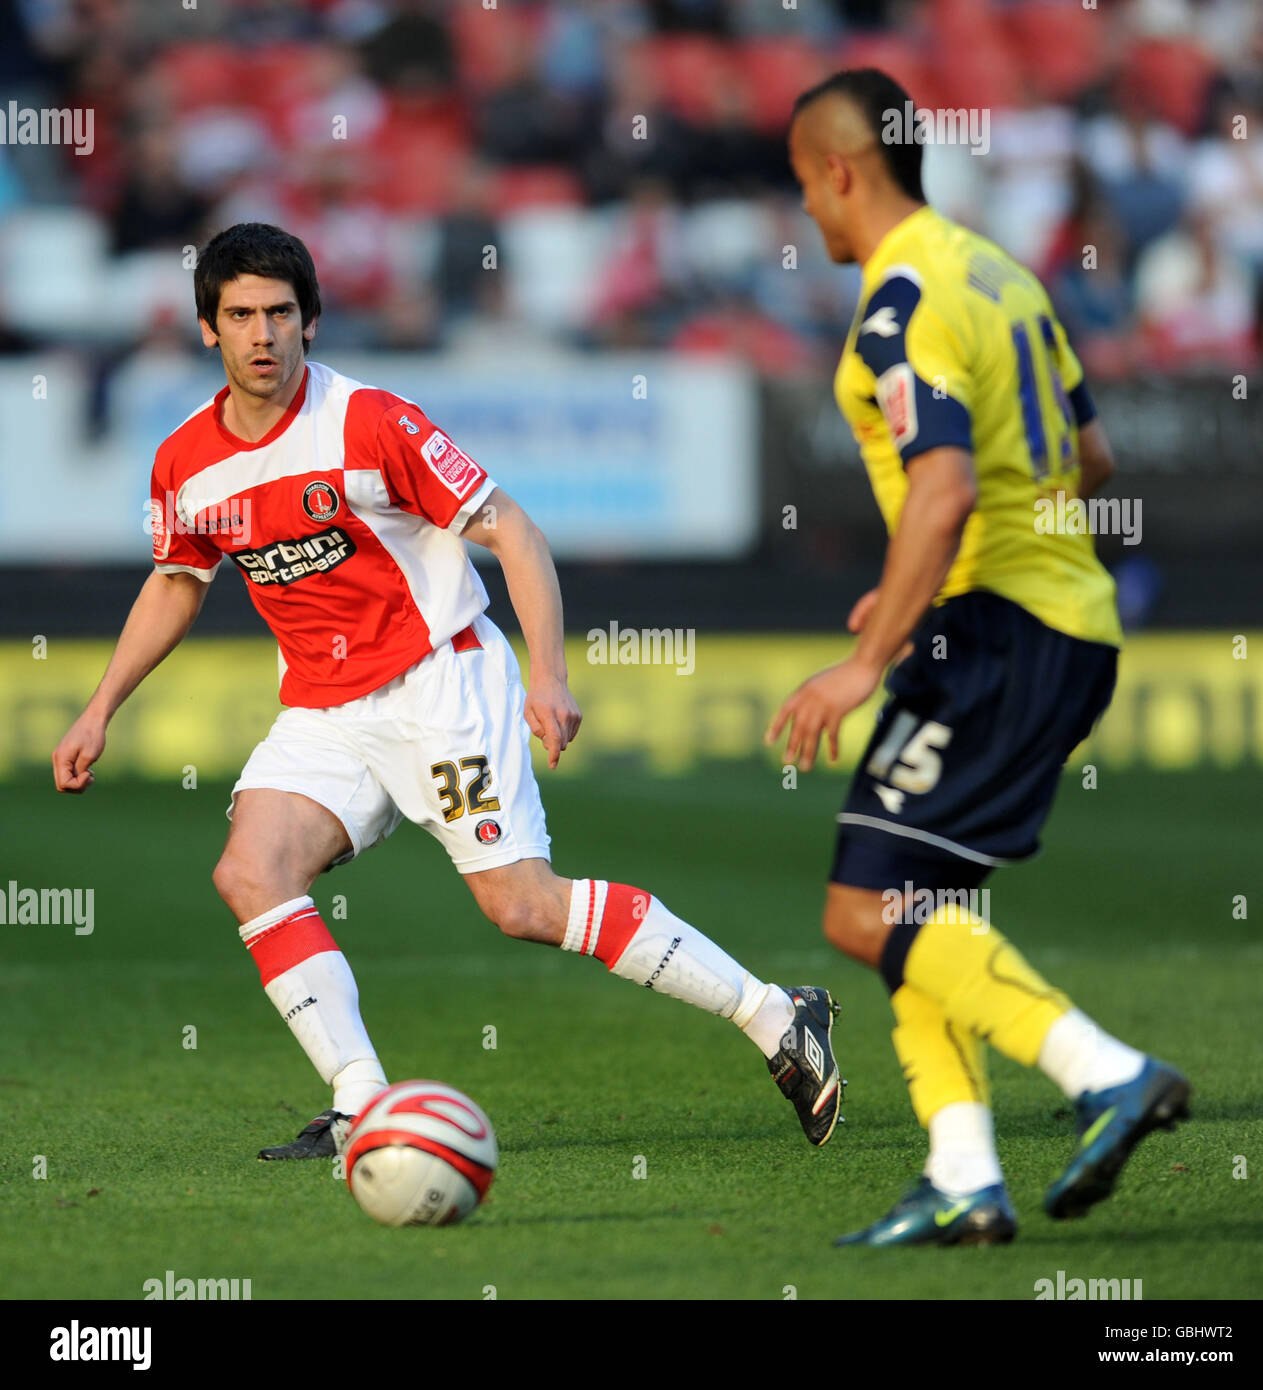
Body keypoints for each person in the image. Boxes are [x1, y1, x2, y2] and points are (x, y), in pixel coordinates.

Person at [52, 222, 843, 1160]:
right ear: (207, 330)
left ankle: (773, 1014)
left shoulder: (372, 424)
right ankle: (360, 1100)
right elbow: (178, 580)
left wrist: (546, 676)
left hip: (440, 683)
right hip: (322, 709)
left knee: (523, 909)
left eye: (278, 313)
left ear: (311, 322)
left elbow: (514, 531)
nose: (261, 334)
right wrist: (100, 706)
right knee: (249, 871)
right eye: (239, 316)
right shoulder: (185, 460)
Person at [767, 71, 1189, 1247]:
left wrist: (871, 652)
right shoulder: (1000, 272)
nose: (806, 210)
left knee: (862, 912)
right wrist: (925, 566)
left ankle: (1102, 1071)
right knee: (922, 901)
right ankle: (962, 1175)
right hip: (1057, 618)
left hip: (993, 633)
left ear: (841, 171)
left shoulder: (898, 301)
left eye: (805, 183)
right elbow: (1088, 457)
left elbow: (944, 482)